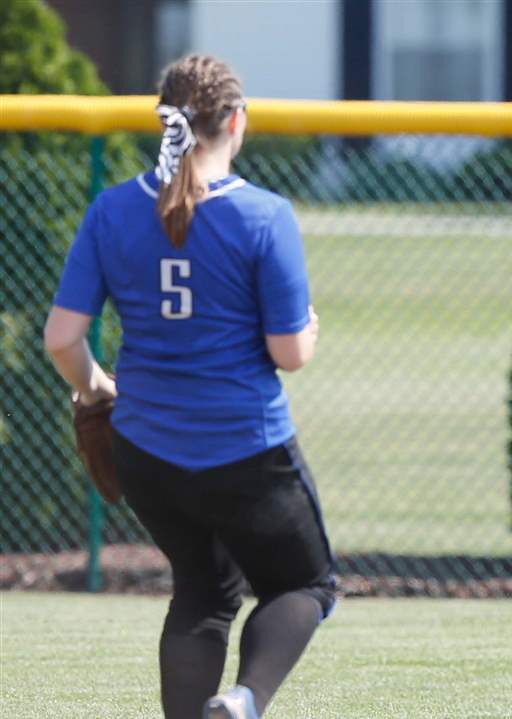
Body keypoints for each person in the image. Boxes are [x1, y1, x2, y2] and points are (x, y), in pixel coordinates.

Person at [44, 55, 334, 719]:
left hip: (147, 449)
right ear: (234, 121)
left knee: (203, 592)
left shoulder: (113, 209)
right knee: (305, 583)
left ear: (163, 123)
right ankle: (242, 698)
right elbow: (289, 354)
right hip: (245, 450)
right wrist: (311, 332)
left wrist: (94, 389)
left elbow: (61, 338)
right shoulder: (264, 215)